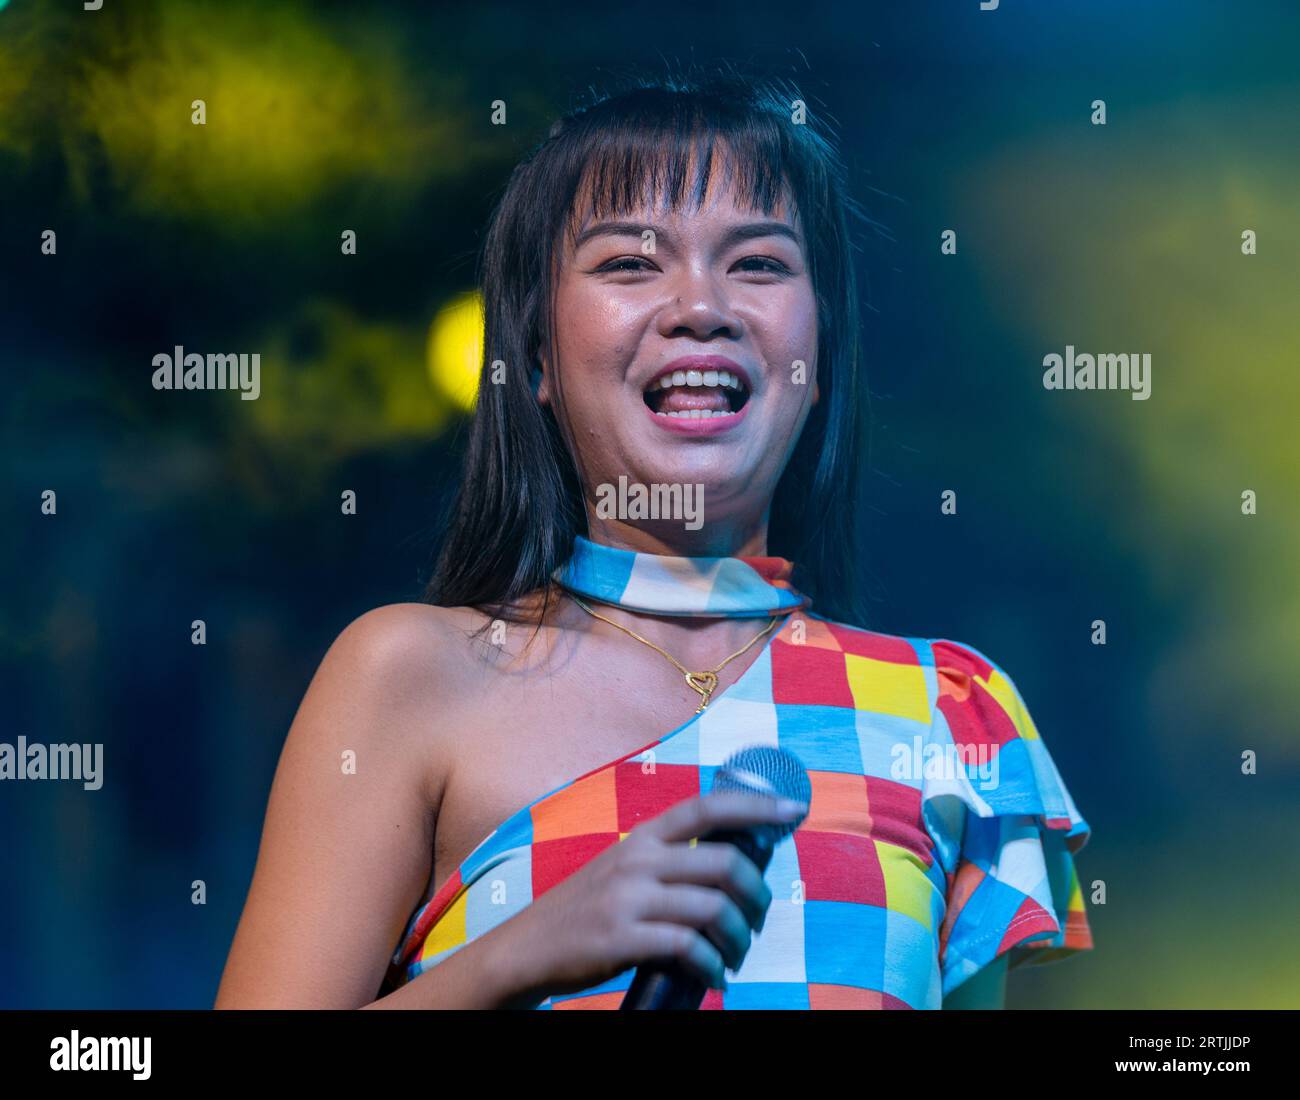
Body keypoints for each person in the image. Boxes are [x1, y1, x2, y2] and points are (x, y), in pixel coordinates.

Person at [215, 72, 1093, 1011]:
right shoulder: (411, 675)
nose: (700, 305)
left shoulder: (948, 714)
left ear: (822, 353)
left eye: (758, 264)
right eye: (631, 264)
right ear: (538, 357)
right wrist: (516, 956)